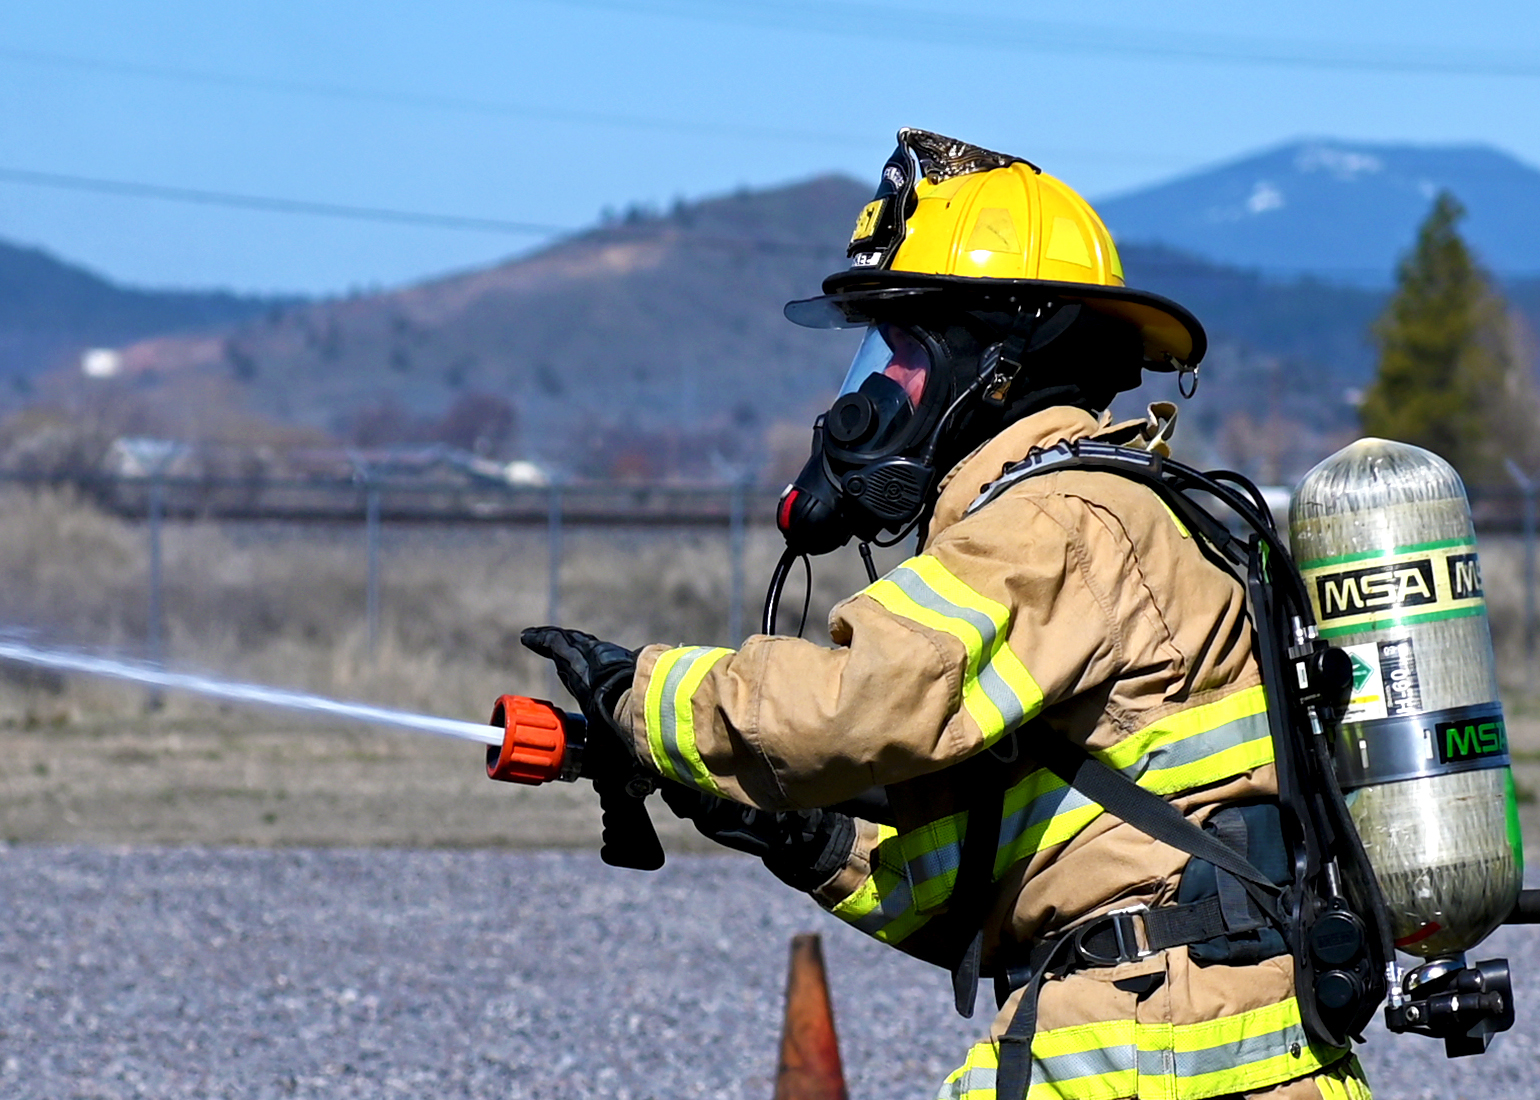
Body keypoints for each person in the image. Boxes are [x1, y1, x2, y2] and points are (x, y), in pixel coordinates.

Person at [522, 129, 1372, 1100]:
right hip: (1180, 1034)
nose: (870, 396)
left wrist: (643, 694)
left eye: (902, 353)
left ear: (998, 362)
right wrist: (807, 841)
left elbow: (859, 706)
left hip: (1155, 1050)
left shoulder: (1059, 519)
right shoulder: (1089, 513)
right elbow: (984, 891)